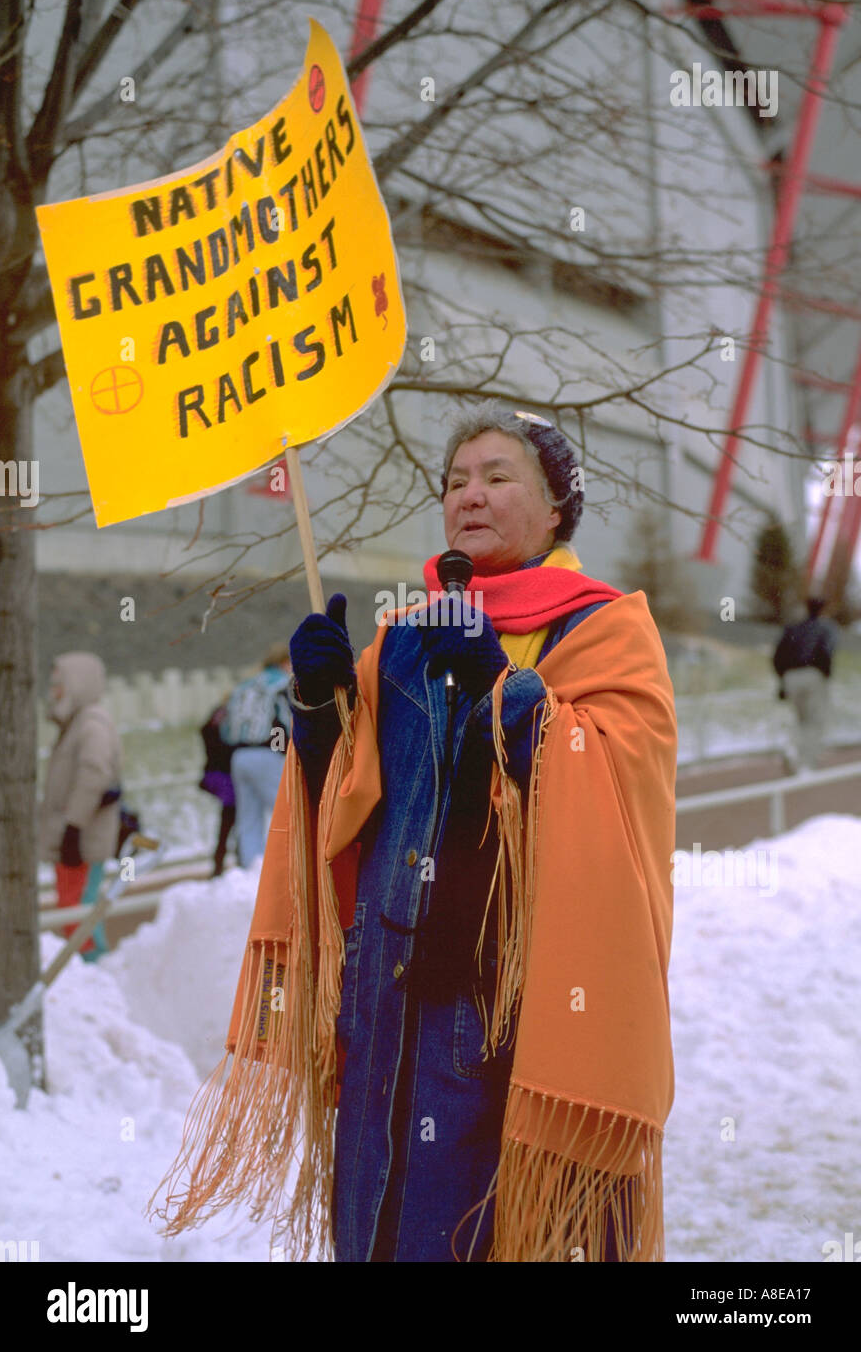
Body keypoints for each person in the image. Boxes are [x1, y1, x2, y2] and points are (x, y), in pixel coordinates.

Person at [156, 403, 677, 1263]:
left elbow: (618, 793)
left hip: (512, 1010)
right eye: (454, 480)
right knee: (384, 1228)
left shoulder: (607, 629)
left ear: (557, 508)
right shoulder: (403, 638)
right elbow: (346, 808)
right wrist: (320, 710)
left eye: (498, 476)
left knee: (494, 1231)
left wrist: (509, 695)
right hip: (388, 1004)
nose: (469, 493)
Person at [40, 652, 122, 963]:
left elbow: (94, 774)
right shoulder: (76, 723)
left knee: (80, 915)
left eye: (59, 685)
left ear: (77, 684)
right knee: (72, 910)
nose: (54, 692)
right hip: (72, 838)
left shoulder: (91, 723)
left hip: (82, 839)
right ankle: (88, 973)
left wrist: (73, 827)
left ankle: (96, 973)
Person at [225, 643, 292, 867]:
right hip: (268, 753)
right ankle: (286, 867)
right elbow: (288, 720)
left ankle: (250, 869)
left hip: (239, 755)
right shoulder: (282, 684)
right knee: (286, 813)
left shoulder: (244, 686)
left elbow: (226, 726)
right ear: (285, 663)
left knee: (248, 818)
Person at [773, 596, 835, 773]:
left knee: (800, 719)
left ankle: (791, 748)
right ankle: (806, 765)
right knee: (813, 721)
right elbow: (826, 652)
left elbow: (778, 655)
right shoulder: (825, 629)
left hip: (790, 676)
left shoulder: (793, 628)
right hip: (813, 674)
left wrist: (782, 679)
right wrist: (825, 676)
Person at [198, 700, 237, 877]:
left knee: (228, 821)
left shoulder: (213, 722)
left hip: (215, 777)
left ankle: (219, 865)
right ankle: (229, 864)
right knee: (231, 820)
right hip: (226, 779)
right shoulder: (228, 723)